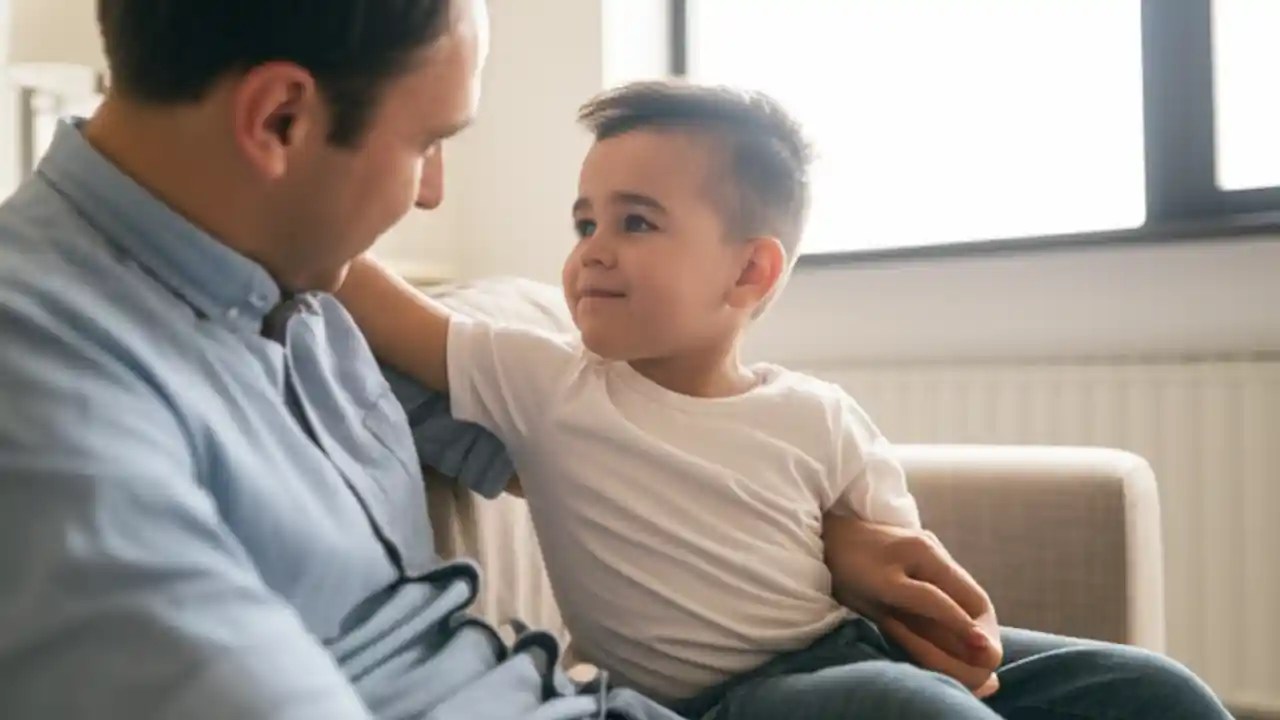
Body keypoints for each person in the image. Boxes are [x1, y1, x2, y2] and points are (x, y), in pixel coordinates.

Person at [0, 1, 1230, 718]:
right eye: (430, 144)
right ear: (277, 120)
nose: (432, 199)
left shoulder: (306, 294)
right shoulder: (50, 382)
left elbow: (612, 453)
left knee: (1155, 699)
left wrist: (830, 538)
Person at [337, 81, 1235, 720]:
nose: (592, 250)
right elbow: (381, 303)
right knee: (911, 711)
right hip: (728, 700)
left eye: (635, 222)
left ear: (751, 268)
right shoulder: (546, 384)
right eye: (585, 222)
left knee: (1151, 690)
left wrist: (954, 649)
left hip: (853, 653)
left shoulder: (818, 416)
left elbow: (901, 580)